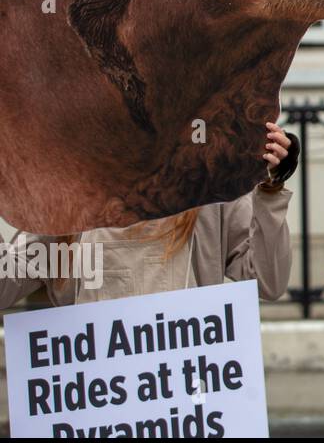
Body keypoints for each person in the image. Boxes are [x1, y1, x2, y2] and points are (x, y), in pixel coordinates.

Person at [0, 122, 296, 309]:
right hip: (97, 396)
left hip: (188, 395)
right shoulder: (68, 194)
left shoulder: (210, 185)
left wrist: (270, 191)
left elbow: (267, 281)